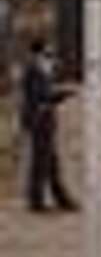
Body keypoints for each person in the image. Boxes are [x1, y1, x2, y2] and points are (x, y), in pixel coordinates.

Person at [18, 33, 74, 213]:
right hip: (39, 121)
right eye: (49, 50)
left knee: (49, 163)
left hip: (43, 120)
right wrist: (61, 95)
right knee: (42, 163)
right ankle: (39, 201)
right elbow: (40, 96)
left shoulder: (40, 68)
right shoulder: (34, 70)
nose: (52, 53)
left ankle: (60, 200)